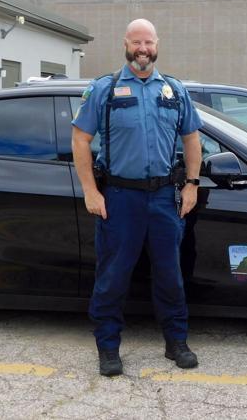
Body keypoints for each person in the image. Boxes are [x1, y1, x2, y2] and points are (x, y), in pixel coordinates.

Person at [72, 18, 203, 377]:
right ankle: (108, 348)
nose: (142, 49)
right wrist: (90, 190)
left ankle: (176, 342)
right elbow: (80, 139)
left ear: (157, 44)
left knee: (170, 276)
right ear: (125, 44)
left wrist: (191, 184)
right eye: (136, 43)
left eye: (148, 42)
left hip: (164, 198)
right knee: (113, 277)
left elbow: (192, 138)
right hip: (119, 199)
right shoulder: (105, 89)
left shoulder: (174, 90)